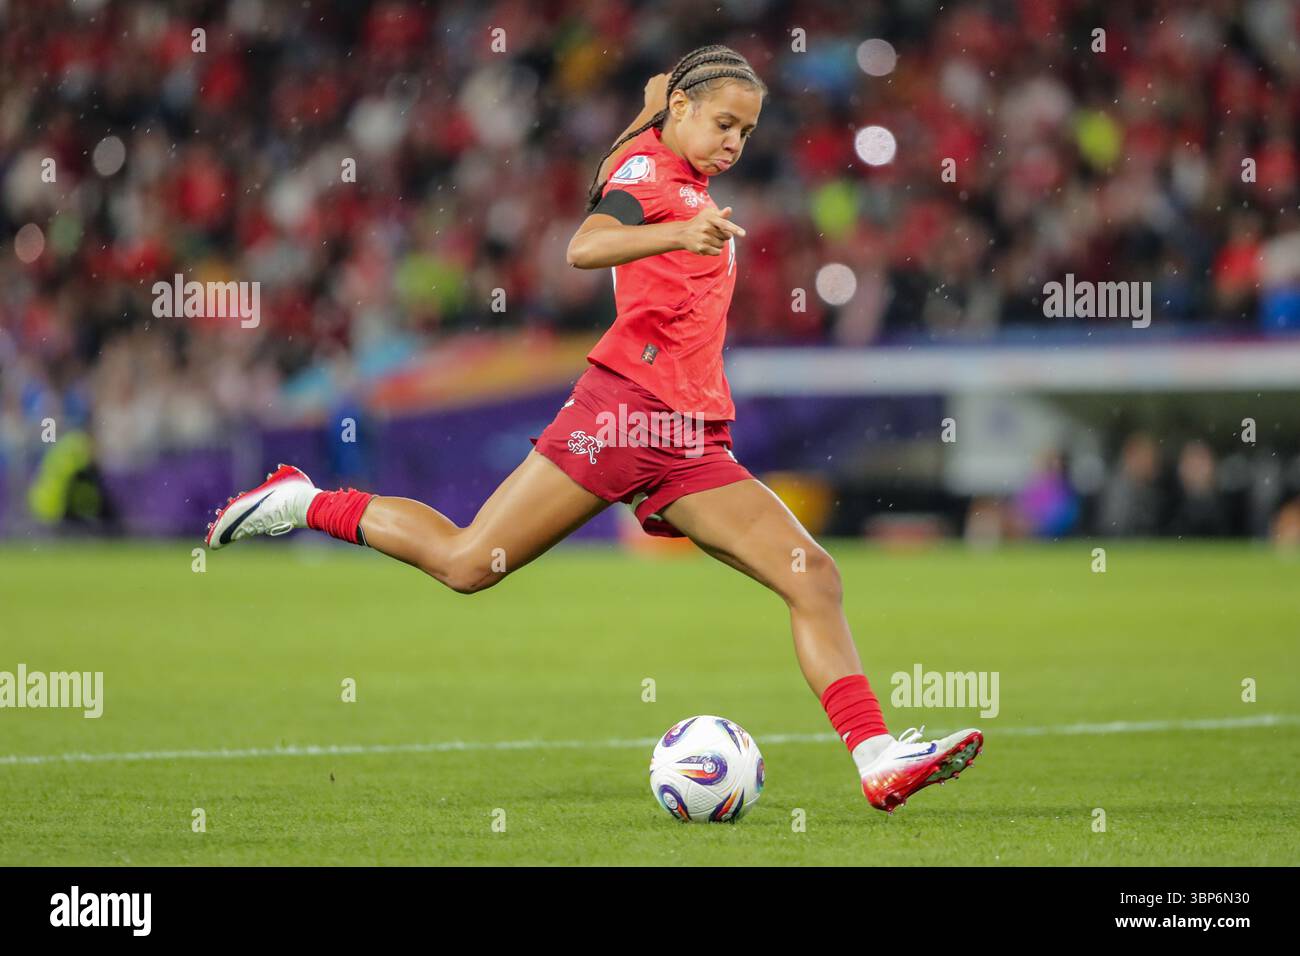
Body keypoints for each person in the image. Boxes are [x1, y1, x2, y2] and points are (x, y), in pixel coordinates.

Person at [204, 45, 981, 814]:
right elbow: (584, 246)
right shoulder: (655, 180)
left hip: (691, 441)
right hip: (622, 414)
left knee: (813, 577)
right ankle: (302, 500)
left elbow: (623, 158)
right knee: (469, 563)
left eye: (745, 131)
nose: (734, 144)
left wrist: (649, 112)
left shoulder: (654, 154)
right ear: (681, 110)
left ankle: (877, 758)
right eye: (722, 123)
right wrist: (678, 231)